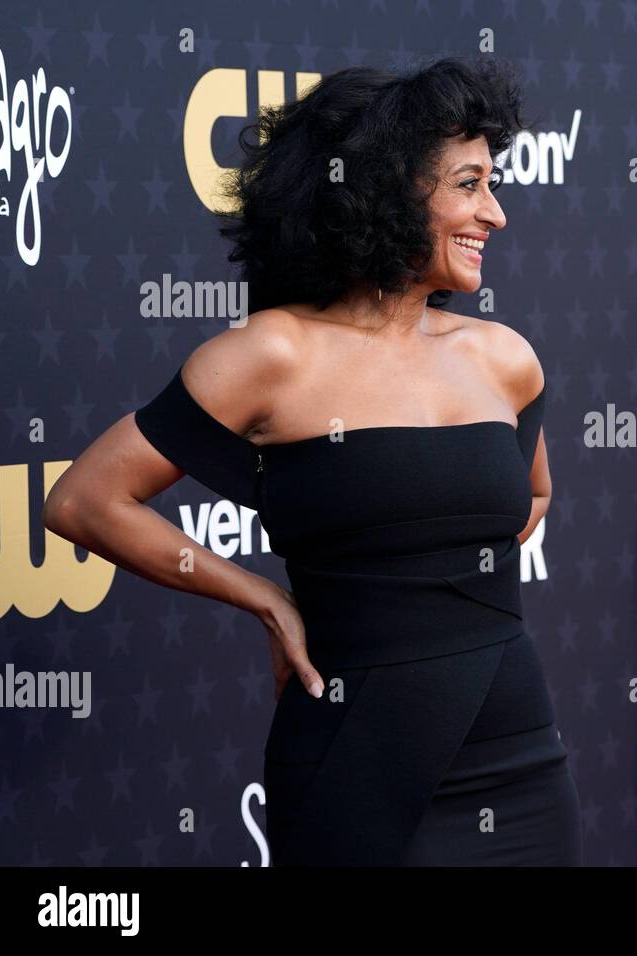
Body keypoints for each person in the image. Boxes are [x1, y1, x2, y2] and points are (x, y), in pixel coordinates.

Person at [42, 57, 582, 866]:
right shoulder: (273, 355)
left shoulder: (505, 359)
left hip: (517, 753)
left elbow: (533, 494)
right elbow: (84, 502)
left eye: (493, 183)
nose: (495, 213)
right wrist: (264, 597)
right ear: (392, 188)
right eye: (469, 185)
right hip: (357, 754)